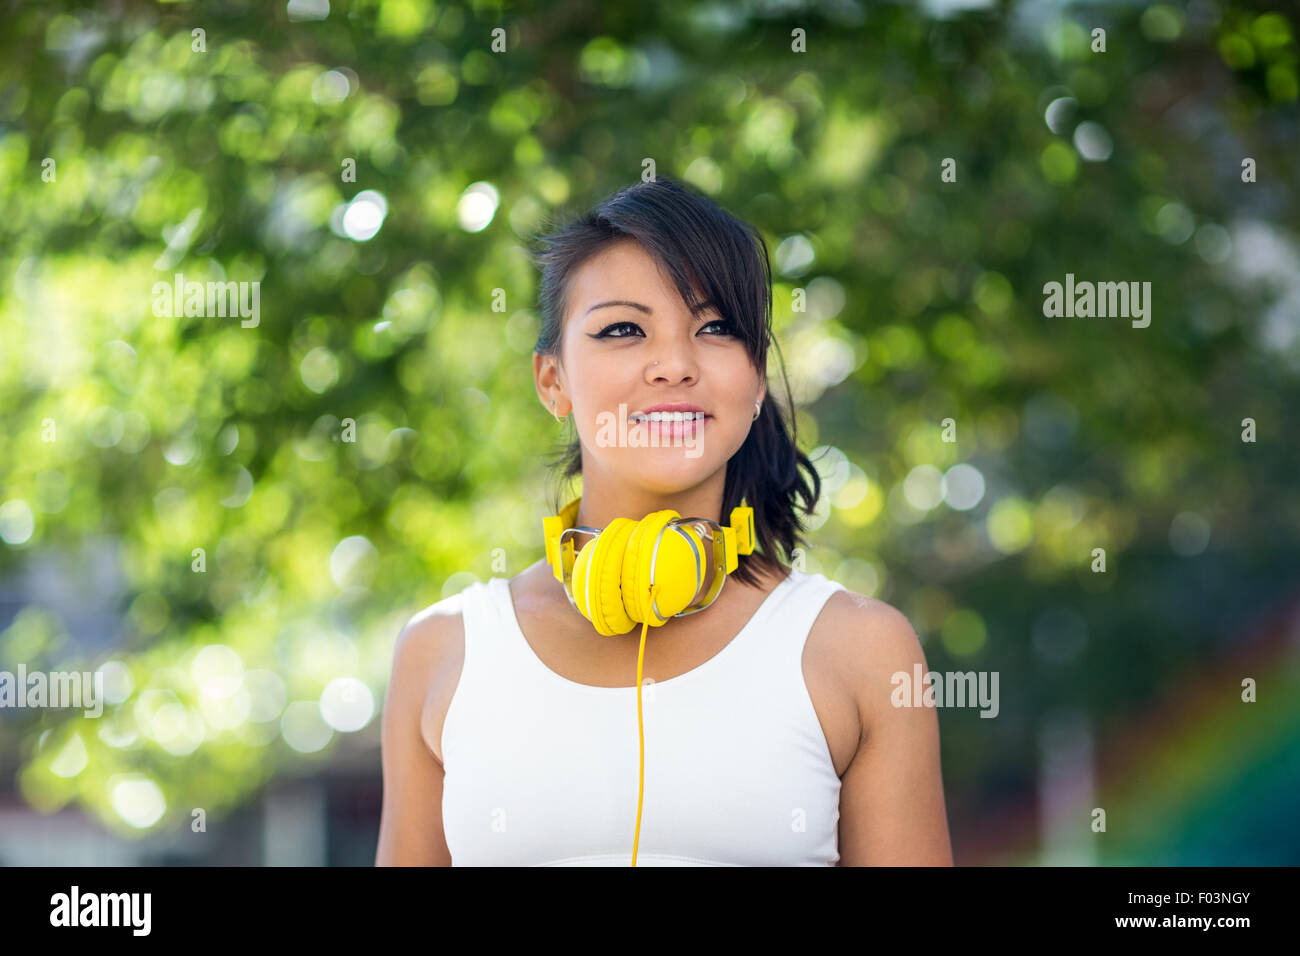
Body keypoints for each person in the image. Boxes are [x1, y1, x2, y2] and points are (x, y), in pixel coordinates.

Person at [376, 176, 953, 866]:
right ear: (552, 381)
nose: (675, 365)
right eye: (623, 329)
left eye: (715, 328)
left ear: (756, 375)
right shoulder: (441, 652)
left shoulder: (864, 651)